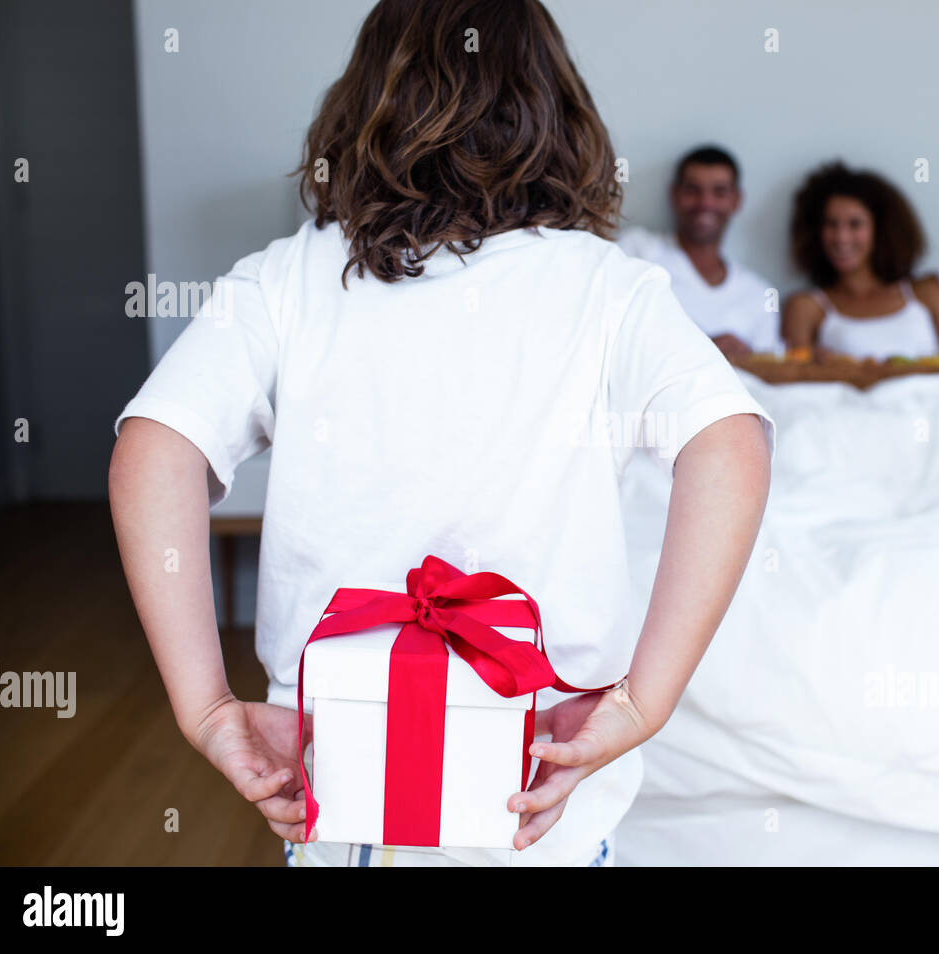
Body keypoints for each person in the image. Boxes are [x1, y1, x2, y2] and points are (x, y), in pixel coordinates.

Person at [108, 0, 773, 868]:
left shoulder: (286, 279)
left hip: (346, 796)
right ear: (556, 115)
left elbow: (155, 449)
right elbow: (730, 445)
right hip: (543, 805)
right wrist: (644, 701)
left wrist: (205, 705)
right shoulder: (608, 288)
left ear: (364, 107)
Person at [781, 161, 939, 382]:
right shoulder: (806, 306)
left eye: (855, 224)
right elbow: (794, 379)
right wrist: (822, 363)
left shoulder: (928, 292)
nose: (841, 237)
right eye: (831, 224)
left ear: (881, 230)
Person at [617, 146, 781, 359]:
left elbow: (769, 375)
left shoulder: (760, 295)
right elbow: (613, 333)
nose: (705, 203)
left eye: (719, 192)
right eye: (693, 190)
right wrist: (705, 349)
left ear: (736, 200)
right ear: (674, 195)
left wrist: (747, 360)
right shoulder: (637, 251)